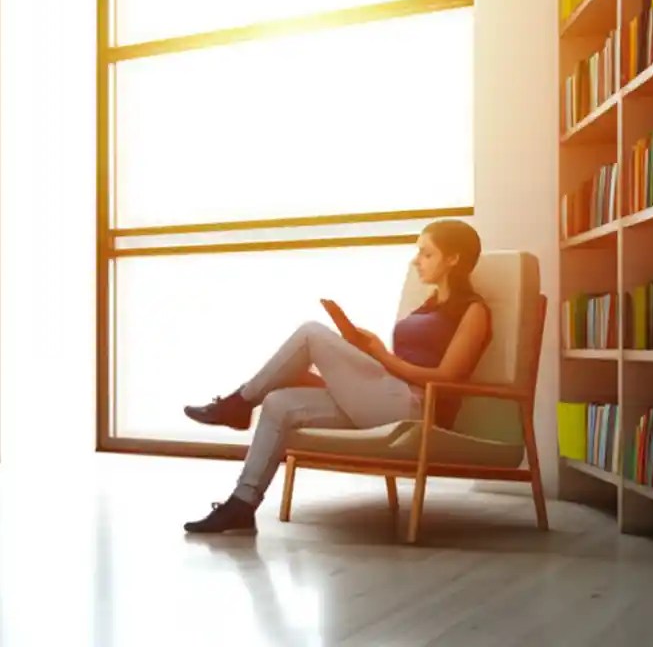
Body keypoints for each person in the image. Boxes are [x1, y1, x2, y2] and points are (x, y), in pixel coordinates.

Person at [181, 219, 492, 534]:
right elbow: (401, 365)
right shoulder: (428, 306)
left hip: (417, 409)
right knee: (279, 402)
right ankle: (241, 505)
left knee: (311, 333)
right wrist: (367, 350)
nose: (416, 260)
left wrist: (381, 355)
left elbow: (447, 376)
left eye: (426, 253)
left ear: (453, 258)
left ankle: (239, 403)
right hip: (389, 399)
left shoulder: (473, 310)